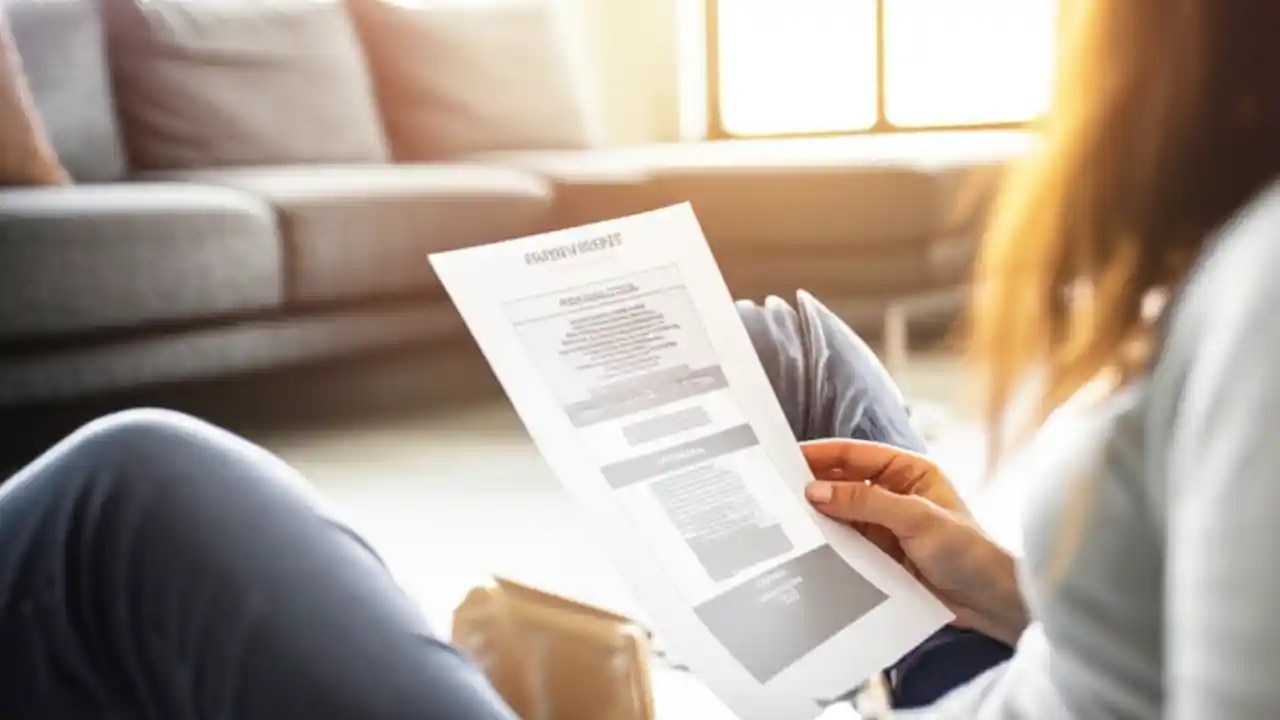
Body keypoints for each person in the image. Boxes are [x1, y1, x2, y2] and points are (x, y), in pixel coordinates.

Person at [3, 1, 1280, 717]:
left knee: (130, 498)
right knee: (783, 353)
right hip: (1006, 662)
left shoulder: (1262, 287)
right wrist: (1000, 591)